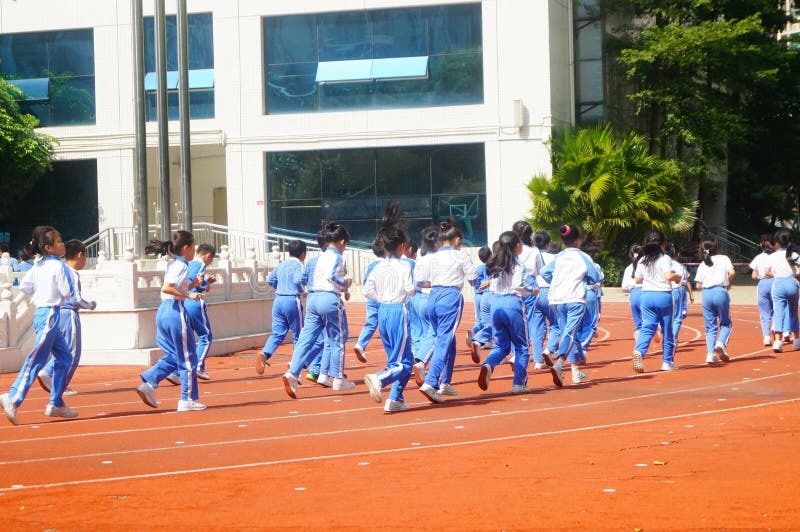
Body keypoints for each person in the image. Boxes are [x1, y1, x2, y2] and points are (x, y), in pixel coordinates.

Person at [1, 226, 76, 425]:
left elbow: (25, 287)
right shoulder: (59, 266)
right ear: (48, 248)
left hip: (44, 313)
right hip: (50, 314)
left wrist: (41, 291)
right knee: (36, 358)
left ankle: (57, 402)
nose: (62, 244)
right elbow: (67, 293)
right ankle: (13, 396)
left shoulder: (38, 266)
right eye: (59, 241)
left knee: (64, 356)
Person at [135, 231, 207, 412]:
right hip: (175, 311)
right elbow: (167, 288)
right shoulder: (182, 265)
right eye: (193, 246)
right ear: (186, 248)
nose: (194, 250)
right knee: (189, 357)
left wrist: (192, 285)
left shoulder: (174, 264)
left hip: (164, 311)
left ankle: (149, 383)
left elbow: (173, 286)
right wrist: (189, 294)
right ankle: (187, 399)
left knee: (176, 355)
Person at [282, 222, 354, 398]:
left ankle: (292, 373)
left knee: (307, 338)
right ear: (342, 242)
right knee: (338, 337)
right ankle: (338, 377)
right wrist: (345, 284)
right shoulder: (337, 256)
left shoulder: (315, 258)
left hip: (313, 299)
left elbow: (304, 279)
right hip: (329, 299)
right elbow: (332, 277)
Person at [362, 202, 417, 413]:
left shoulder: (377, 267)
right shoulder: (405, 265)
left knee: (399, 358)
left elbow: (367, 291)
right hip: (398, 311)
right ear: (402, 247)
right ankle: (380, 378)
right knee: (405, 361)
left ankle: (395, 398)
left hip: (382, 310)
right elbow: (410, 289)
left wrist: (382, 297)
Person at [417, 218, 478, 403]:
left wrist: (437, 282)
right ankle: (431, 381)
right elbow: (473, 279)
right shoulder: (461, 256)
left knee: (445, 338)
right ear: (457, 239)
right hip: (450, 296)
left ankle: (445, 381)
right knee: (444, 339)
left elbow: (420, 282)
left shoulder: (432, 257)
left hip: (433, 296)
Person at [540, 225, 600, 386]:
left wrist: (557, 282)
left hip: (558, 299)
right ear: (578, 240)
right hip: (575, 298)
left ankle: (575, 372)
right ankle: (559, 364)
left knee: (566, 333)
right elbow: (595, 277)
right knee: (570, 334)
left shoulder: (558, 257)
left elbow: (544, 273)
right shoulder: (583, 257)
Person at [476, 231, 535, 394]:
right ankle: (518, 384)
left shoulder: (496, 265)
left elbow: (493, 286)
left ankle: (488, 364)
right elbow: (520, 286)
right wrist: (533, 290)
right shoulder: (519, 266)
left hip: (496, 304)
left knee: (501, 344)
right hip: (512, 304)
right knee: (522, 346)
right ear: (517, 246)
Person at [36, 239, 97, 396]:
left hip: (54, 312)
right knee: (72, 353)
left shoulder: (59, 269)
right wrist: (90, 305)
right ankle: (57, 383)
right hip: (68, 313)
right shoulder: (72, 274)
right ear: (80, 255)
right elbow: (76, 299)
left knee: (62, 351)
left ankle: (52, 376)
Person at [630, 230, 682, 372]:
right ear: (663, 244)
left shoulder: (642, 259)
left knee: (648, 326)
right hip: (663, 295)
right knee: (667, 329)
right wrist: (677, 277)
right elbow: (669, 276)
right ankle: (667, 362)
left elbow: (637, 279)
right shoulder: (664, 258)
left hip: (646, 296)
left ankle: (639, 351)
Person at [167, 243, 217, 383]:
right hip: (194, 302)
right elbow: (194, 284)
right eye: (211, 259)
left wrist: (207, 283)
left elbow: (192, 283)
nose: (209, 262)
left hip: (183, 302)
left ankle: (177, 372)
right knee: (206, 336)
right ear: (207, 256)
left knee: (187, 341)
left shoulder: (188, 264)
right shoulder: (199, 264)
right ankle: (199, 367)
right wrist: (204, 284)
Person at [257, 240, 306, 375]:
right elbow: (297, 281)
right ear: (303, 254)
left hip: (278, 300)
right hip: (292, 300)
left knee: (278, 333)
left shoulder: (281, 265)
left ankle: (265, 353)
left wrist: (280, 288)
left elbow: (270, 280)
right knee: (299, 335)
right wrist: (302, 291)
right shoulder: (299, 265)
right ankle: (295, 365)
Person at [693, 239, 735, 364]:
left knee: (710, 327)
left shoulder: (702, 264)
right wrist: (727, 282)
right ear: (717, 247)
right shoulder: (723, 258)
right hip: (720, 291)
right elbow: (732, 272)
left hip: (706, 294)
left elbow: (698, 285)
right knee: (726, 322)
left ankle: (710, 354)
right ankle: (721, 342)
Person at [410, 226, 439, 386]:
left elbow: (417, 281)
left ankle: (418, 358)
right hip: (430, 298)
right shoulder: (436, 258)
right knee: (436, 334)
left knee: (421, 333)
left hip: (418, 298)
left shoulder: (421, 258)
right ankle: (421, 362)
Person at [764, 229, 800, 352]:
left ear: (777, 242)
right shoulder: (794, 255)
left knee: (778, 312)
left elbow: (766, 272)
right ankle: (796, 341)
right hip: (792, 283)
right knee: (793, 312)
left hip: (778, 283)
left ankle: (778, 341)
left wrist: (776, 274)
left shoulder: (772, 256)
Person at [353, 241, 386, 362]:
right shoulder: (387, 265)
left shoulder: (371, 265)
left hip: (371, 299)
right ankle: (390, 355)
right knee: (385, 326)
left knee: (370, 323)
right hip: (384, 298)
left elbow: (366, 281)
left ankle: (360, 344)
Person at [531, 230, 558, 369]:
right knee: (556, 324)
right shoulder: (554, 258)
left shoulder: (532, 255)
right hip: (550, 291)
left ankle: (537, 360)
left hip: (535, 292)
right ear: (548, 244)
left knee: (536, 327)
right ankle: (549, 349)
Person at [467, 245, 493, 362]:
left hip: (477, 295)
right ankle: (480, 336)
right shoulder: (491, 267)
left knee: (480, 319)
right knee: (488, 320)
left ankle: (478, 334)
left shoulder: (478, 268)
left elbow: (473, 281)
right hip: (487, 294)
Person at [749, 237, 776, 346]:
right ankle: (777, 327)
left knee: (764, 311)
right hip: (776, 282)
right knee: (777, 307)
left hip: (763, 283)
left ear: (761, 245)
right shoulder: (777, 257)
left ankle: (766, 337)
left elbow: (754, 275)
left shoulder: (758, 257)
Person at [666, 243, 693, 342]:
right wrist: (691, 294)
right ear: (678, 254)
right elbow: (685, 281)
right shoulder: (680, 266)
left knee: (668, 315)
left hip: (665, 291)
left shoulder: (664, 263)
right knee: (678, 316)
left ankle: (665, 333)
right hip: (678, 289)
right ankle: (673, 338)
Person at [621, 244, 643, 340]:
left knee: (638, 322)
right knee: (650, 317)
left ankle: (639, 345)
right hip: (645, 292)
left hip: (634, 294)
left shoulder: (628, 269)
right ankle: (655, 329)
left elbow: (624, 287)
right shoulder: (646, 266)